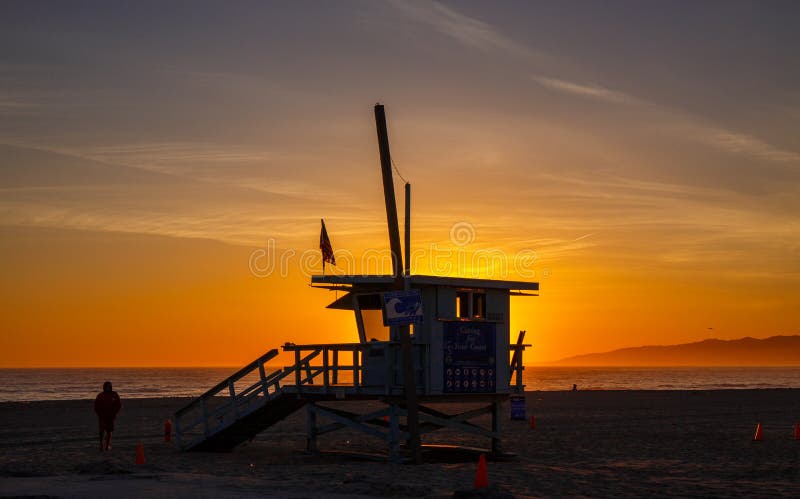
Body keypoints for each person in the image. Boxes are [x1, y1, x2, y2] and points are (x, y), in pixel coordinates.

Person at [94, 381, 121, 451]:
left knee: (109, 431)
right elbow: (96, 406)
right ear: (104, 387)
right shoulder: (100, 395)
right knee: (101, 431)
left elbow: (118, 405)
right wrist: (99, 414)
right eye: (108, 386)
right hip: (102, 416)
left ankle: (107, 445)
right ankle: (101, 445)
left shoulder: (114, 394)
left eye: (110, 386)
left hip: (110, 416)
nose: (109, 387)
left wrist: (114, 412)